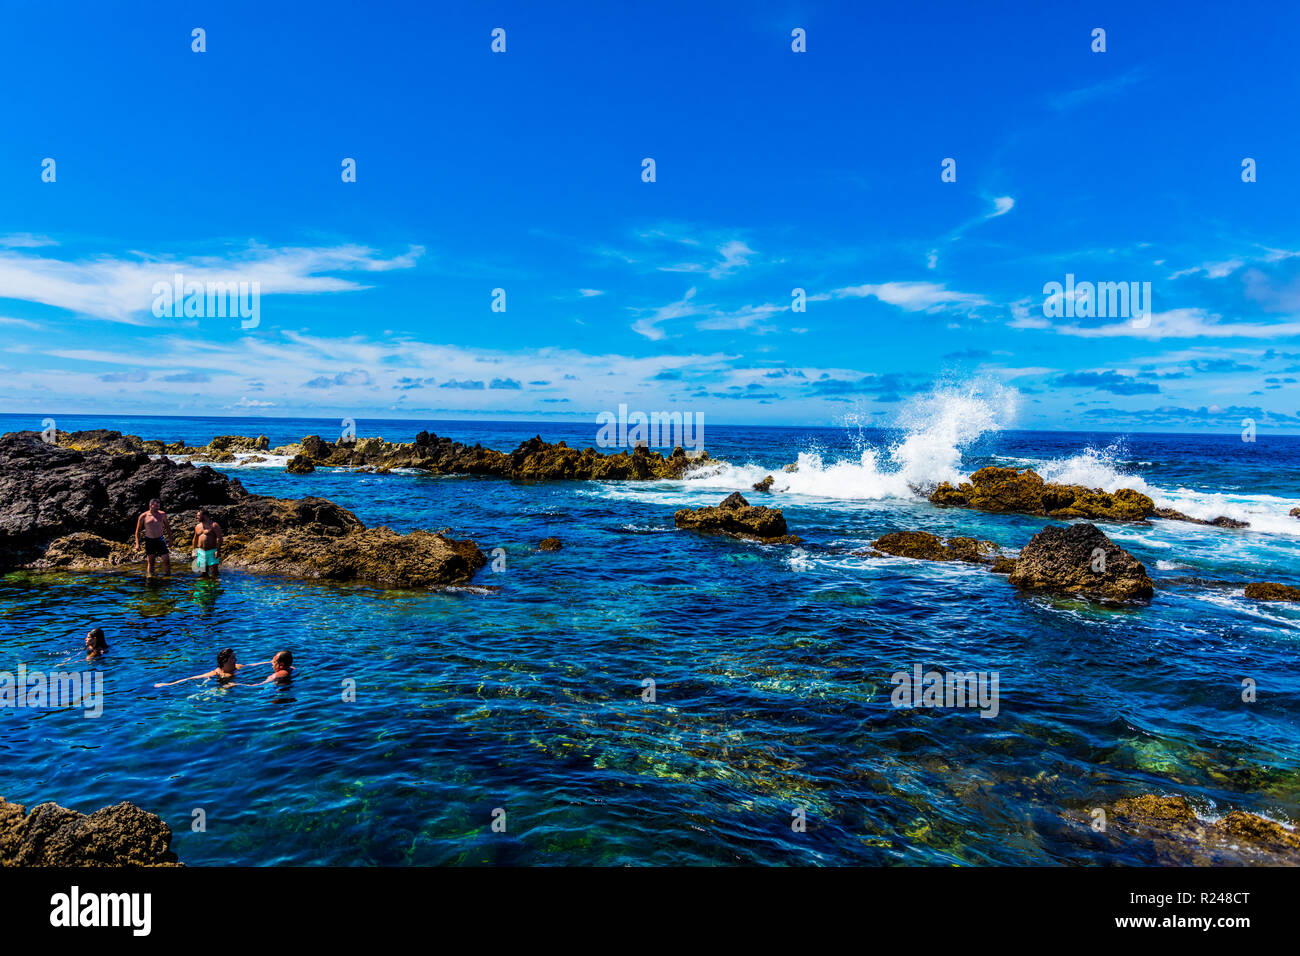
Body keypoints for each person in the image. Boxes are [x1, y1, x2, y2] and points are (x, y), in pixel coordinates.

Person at [154, 648, 269, 687]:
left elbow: (254, 664)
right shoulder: (217, 673)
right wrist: (168, 684)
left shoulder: (237, 667)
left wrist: (270, 662)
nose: (236, 660)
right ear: (224, 661)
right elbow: (193, 678)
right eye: (232, 658)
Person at [134, 499, 173, 578]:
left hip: (160, 540)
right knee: (151, 562)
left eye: (158, 506)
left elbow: (168, 528)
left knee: (166, 560)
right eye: (155, 506)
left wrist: (170, 540)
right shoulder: (143, 516)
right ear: (150, 506)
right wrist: (137, 544)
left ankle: (168, 577)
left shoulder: (162, 514)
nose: (157, 508)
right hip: (149, 540)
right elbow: (137, 531)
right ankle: (150, 578)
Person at [191, 508, 224, 578]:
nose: (197, 517)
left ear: (205, 516)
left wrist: (218, 551)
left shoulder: (214, 525)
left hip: (212, 551)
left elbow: (219, 538)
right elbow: (195, 539)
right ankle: (205, 587)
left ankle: (215, 587)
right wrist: (194, 550)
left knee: (214, 572)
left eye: (199, 516)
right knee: (203, 573)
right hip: (201, 552)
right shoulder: (197, 526)